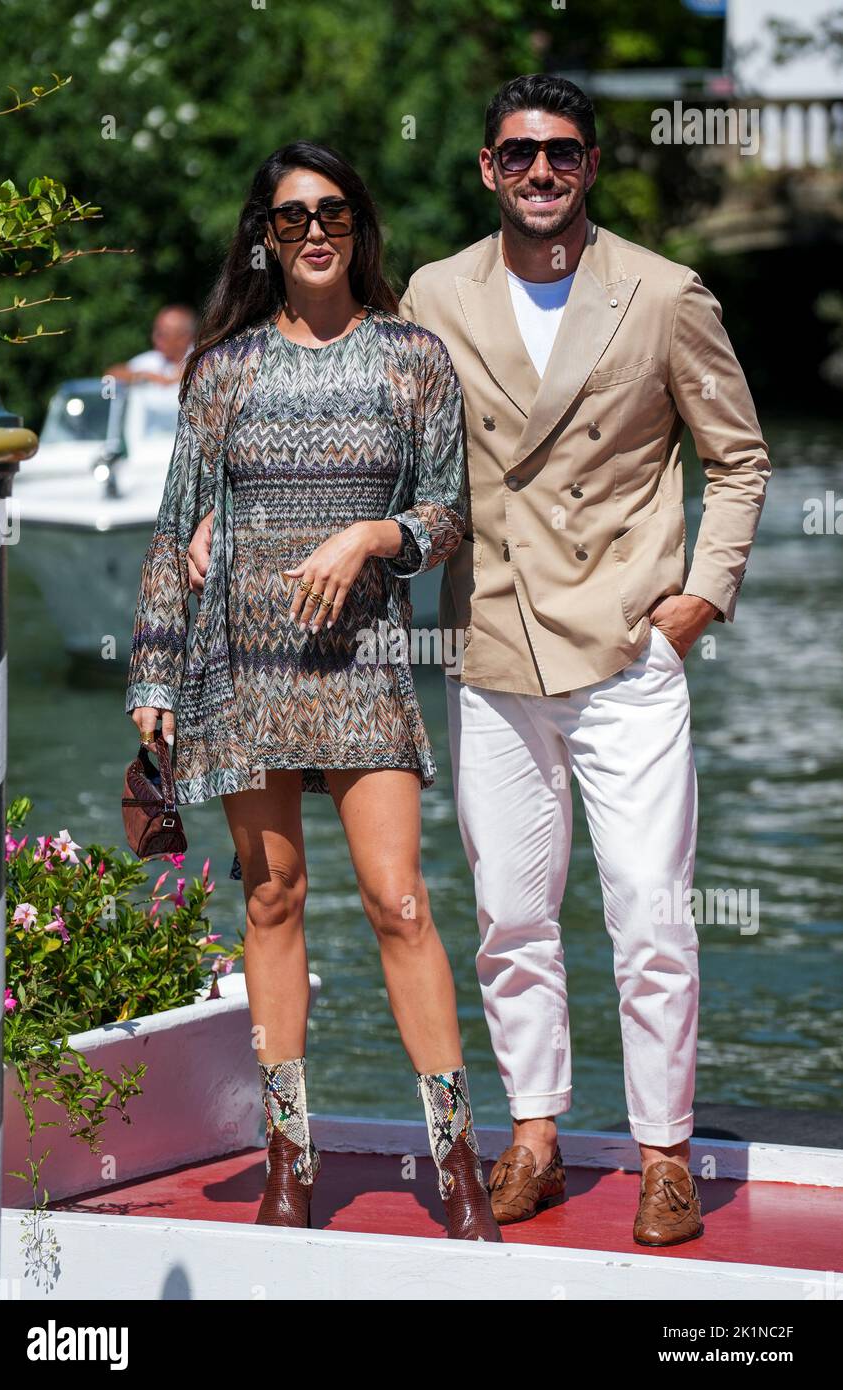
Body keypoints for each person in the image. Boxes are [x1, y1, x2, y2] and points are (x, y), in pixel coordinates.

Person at [395, 73, 771, 1244]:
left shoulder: (661, 294)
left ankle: (666, 1155)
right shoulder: (432, 291)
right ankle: (537, 1139)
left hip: (625, 650)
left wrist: (695, 602)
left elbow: (740, 457)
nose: (540, 172)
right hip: (491, 647)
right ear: (487, 167)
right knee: (510, 919)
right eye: (519, 154)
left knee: (650, 915)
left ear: (590, 165)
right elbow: (392, 444)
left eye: (561, 152)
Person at [124, 141, 501, 1241]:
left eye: (333, 211)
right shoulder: (224, 369)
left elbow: (446, 515)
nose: (315, 231)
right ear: (265, 239)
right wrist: (152, 669)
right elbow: (169, 525)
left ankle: (456, 1159)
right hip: (240, 666)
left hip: (364, 665)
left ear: (359, 224)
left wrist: (374, 533)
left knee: (400, 902)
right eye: (292, 219)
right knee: (271, 899)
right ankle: (290, 1153)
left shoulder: (412, 357)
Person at [106, 305, 197, 386]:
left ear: (184, 337)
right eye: (155, 332)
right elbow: (109, 376)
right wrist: (145, 376)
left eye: (162, 334)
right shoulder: (153, 360)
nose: (154, 338)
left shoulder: (201, 361)